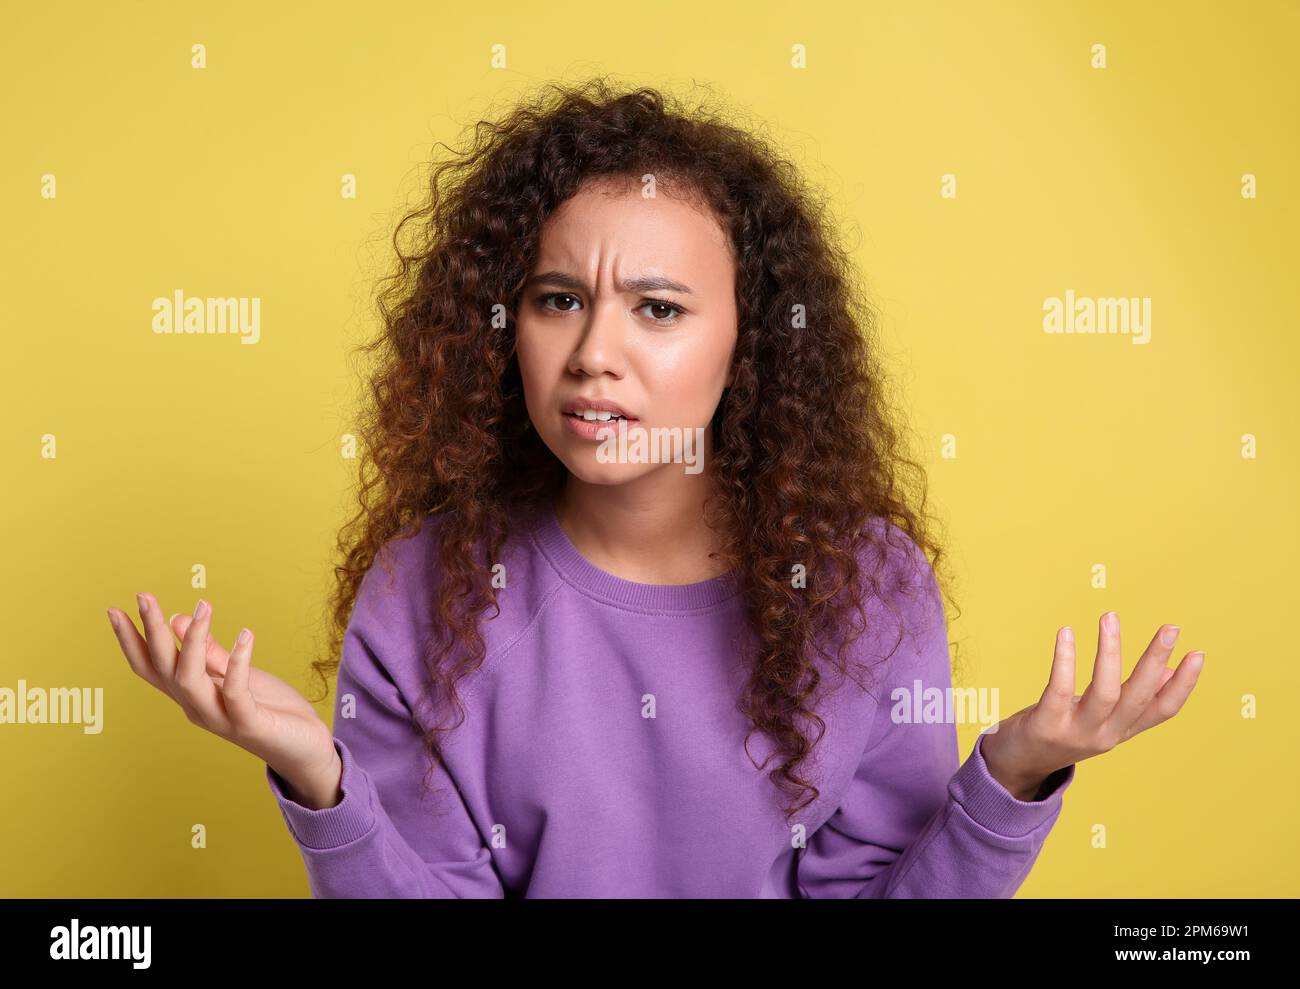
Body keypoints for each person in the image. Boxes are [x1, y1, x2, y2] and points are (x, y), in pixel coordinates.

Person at [105, 78, 1205, 898]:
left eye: (658, 308)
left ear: (751, 342)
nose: (594, 353)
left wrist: (1013, 776)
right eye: (554, 299)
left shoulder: (864, 584)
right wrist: (318, 776)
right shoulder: (426, 589)